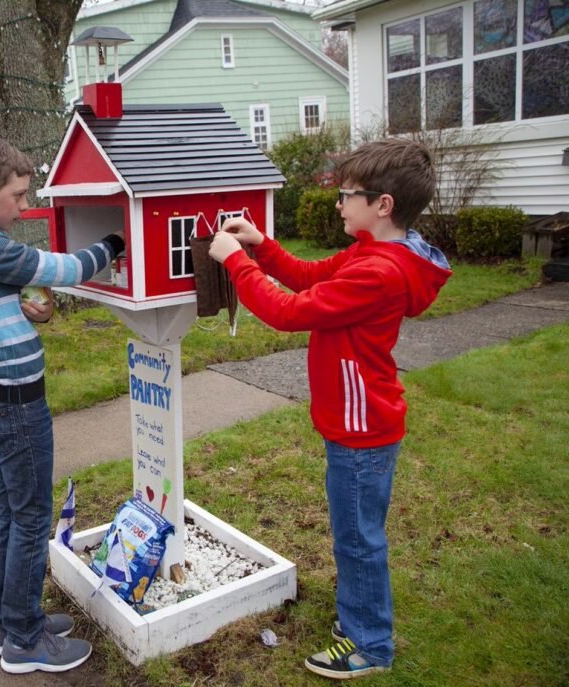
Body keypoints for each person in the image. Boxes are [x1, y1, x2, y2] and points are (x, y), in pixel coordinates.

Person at [208, 138, 452, 680]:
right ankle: (360, 614)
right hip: (356, 422)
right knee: (356, 532)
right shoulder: (371, 253)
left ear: (383, 204)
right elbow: (307, 277)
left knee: (358, 539)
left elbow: (288, 311)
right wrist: (262, 246)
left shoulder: (379, 272)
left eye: (347, 195)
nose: (339, 203)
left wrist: (237, 262)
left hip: (361, 430)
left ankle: (369, 643)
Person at [0, 138, 124, 675]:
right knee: (32, 516)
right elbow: (67, 268)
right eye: (17, 195)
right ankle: (25, 639)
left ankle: (7, 621)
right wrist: (116, 239)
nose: (23, 205)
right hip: (14, 400)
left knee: (9, 510)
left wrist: (18, 309)